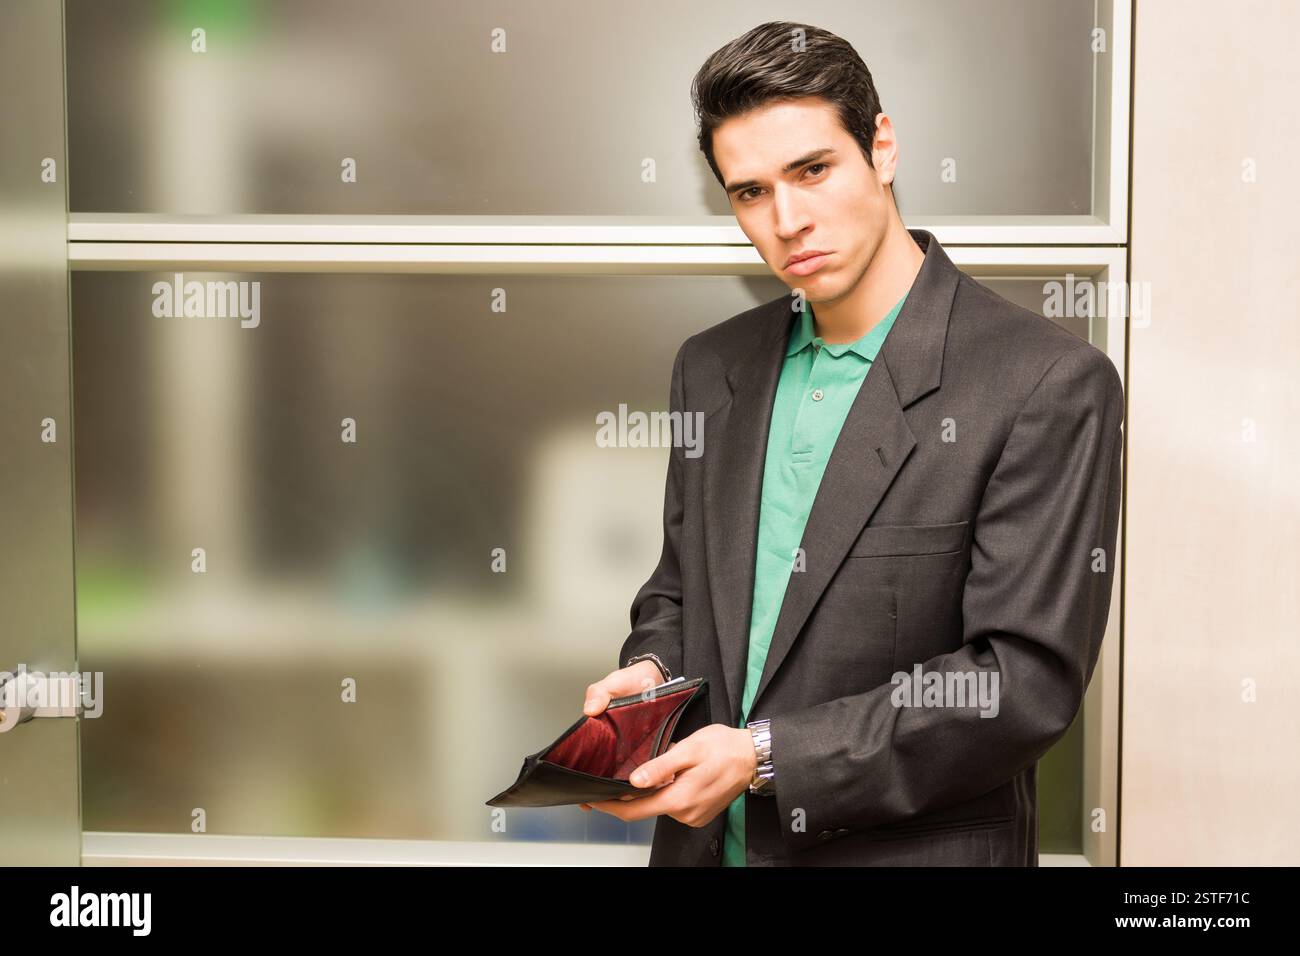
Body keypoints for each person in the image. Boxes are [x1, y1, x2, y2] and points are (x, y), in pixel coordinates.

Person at [579, 20, 1124, 866]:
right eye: (750, 192)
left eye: (812, 170)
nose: (786, 220)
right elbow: (682, 591)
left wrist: (764, 756)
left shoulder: (1046, 384)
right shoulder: (713, 367)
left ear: (883, 147)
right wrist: (651, 676)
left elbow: (1018, 686)